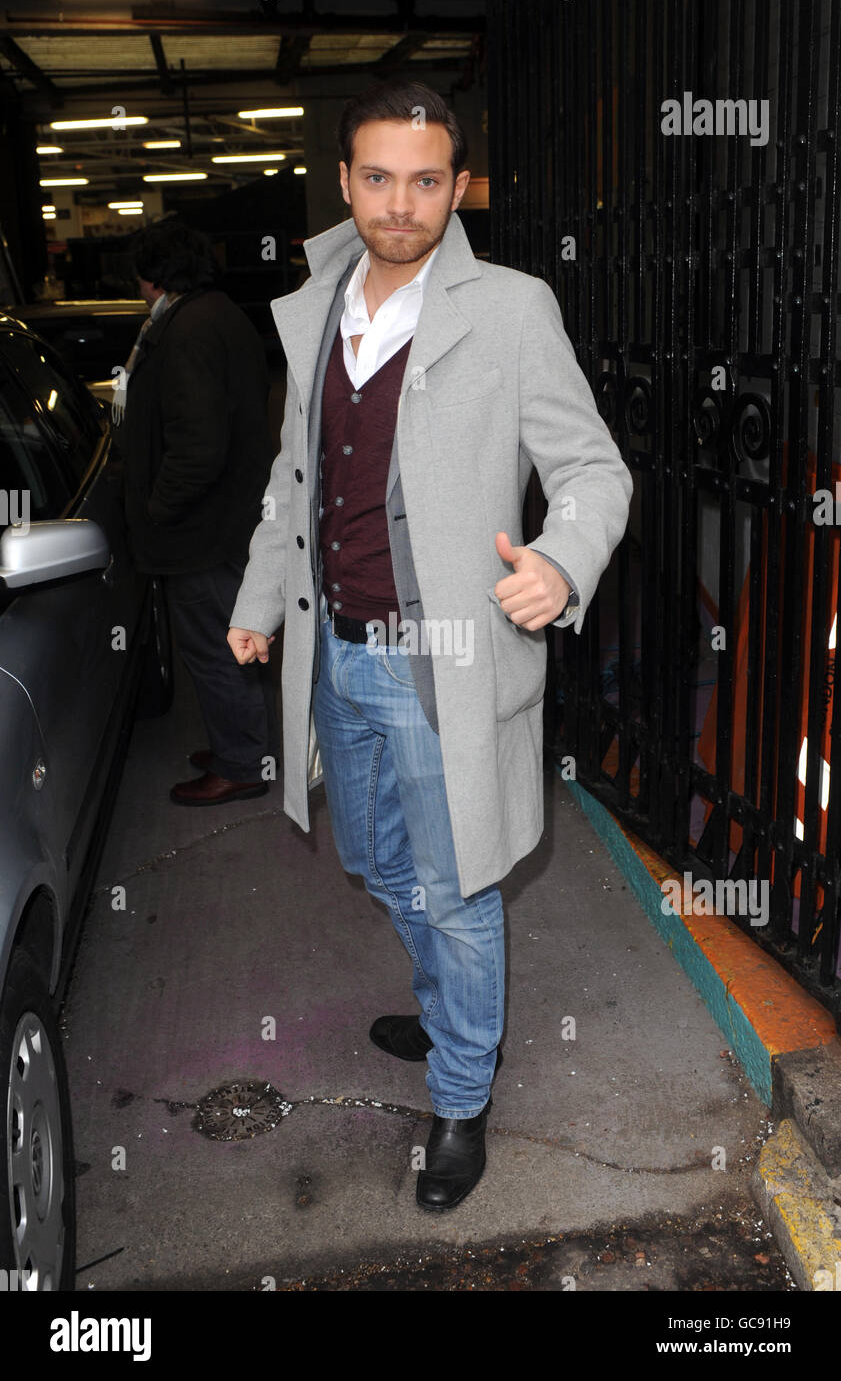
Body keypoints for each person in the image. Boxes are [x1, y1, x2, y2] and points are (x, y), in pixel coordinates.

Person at [227, 81, 633, 1209]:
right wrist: (261, 602)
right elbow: (290, 485)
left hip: (443, 663)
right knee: (374, 862)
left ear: (457, 187)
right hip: (336, 657)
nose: (398, 204)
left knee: (457, 891)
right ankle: (459, 1004)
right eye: (375, 177)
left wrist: (560, 561)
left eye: (424, 180)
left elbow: (594, 471)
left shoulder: (510, 308)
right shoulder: (313, 306)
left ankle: (462, 1089)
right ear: (346, 180)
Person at [122, 217, 279, 805]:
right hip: (229, 518)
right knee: (241, 642)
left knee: (217, 650)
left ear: (154, 273)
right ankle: (249, 748)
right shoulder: (218, 314)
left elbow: (197, 444)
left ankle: (241, 763)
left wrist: (158, 508)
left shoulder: (185, 331)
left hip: (202, 529)